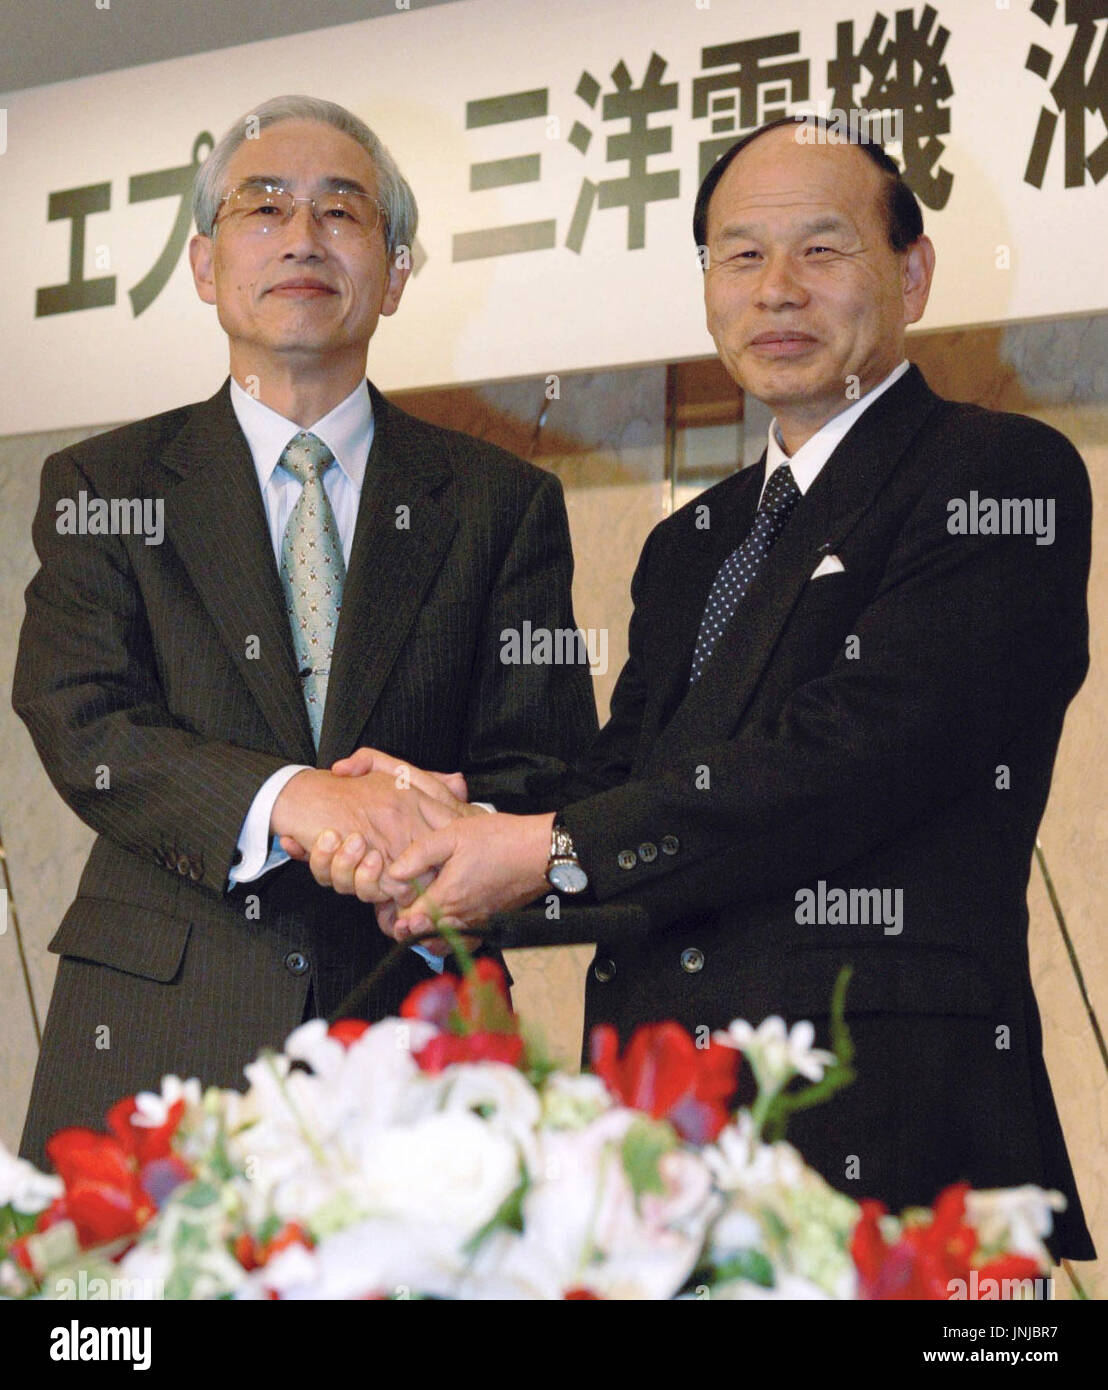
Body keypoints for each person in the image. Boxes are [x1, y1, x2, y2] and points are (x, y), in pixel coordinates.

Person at [308, 115, 1095, 1258]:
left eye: (821, 251)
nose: (776, 289)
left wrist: (540, 845)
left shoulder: (994, 477)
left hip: (893, 1138)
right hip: (660, 1141)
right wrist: (461, 812)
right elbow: (633, 780)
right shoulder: (696, 541)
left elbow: (846, 756)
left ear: (912, 274)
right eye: (739, 255)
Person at [13, 95, 597, 1169]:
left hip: (412, 1024)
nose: (301, 237)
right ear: (202, 263)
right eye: (263, 206)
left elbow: (547, 763)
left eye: (342, 212)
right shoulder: (104, 482)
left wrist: (432, 824)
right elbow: (81, 718)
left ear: (397, 269)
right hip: (155, 1030)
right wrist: (297, 799)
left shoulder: (500, 500)